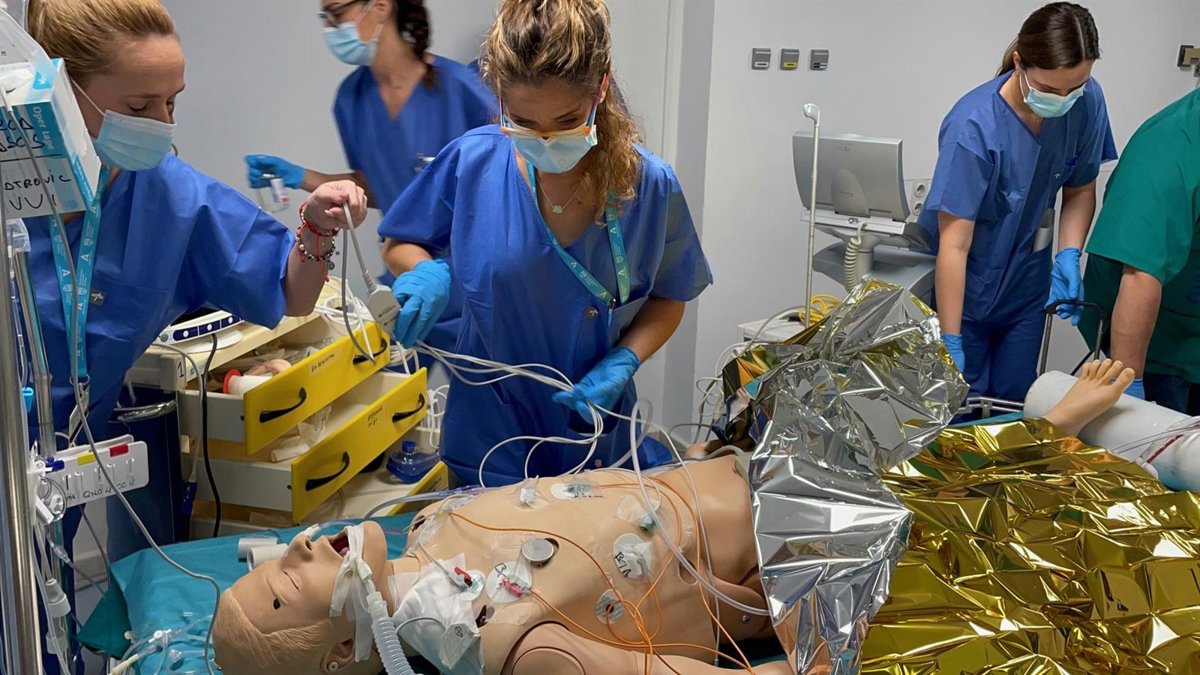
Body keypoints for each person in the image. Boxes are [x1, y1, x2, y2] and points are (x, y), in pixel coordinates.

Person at [210, 359, 1136, 675]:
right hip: (814, 541)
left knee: (858, 341)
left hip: (745, 465)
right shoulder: (517, 644)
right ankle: (1030, 436)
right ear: (340, 653)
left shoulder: (423, 538)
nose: (300, 542)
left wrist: (690, 466)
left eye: (274, 553)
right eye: (289, 579)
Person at [24, 0, 367, 563]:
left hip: (59, 475)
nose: (163, 125)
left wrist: (315, 226)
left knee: (41, 624)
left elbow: (291, 293)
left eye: (172, 103)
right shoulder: (17, 189)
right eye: (139, 106)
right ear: (62, 89)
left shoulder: (167, 194)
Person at [378, 0, 711, 486]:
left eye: (567, 118)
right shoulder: (473, 163)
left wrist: (625, 359)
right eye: (524, 123)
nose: (547, 140)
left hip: (595, 431)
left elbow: (670, 296)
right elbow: (398, 239)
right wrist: (422, 272)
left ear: (601, 85)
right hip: (487, 435)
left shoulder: (650, 186)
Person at [246, 0, 496, 351]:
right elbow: (375, 188)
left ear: (379, 7)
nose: (330, 29)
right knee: (393, 394)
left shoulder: (460, 89)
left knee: (486, 391)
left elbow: (512, 181)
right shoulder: (352, 100)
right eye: (325, 18)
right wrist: (298, 176)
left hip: (473, 282)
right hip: (407, 276)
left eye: (336, 14)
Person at [921, 1, 1117, 401]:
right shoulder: (973, 127)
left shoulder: (1087, 101)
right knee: (959, 413)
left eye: (1074, 88)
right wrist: (951, 338)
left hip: (1025, 288)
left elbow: (1080, 186)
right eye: (1048, 90)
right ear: (1019, 62)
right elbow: (954, 245)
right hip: (967, 291)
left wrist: (1068, 255)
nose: (1064, 99)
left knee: (1013, 404)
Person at [1076, 89, 1200, 412]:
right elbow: (1140, 277)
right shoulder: (1170, 150)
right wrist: (1127, 392)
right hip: (1162, 346)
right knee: (1164, 454)